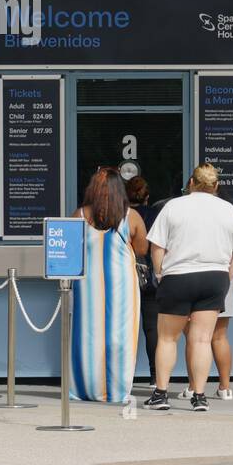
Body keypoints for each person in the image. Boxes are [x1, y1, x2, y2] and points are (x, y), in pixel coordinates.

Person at [144, 164, 233, 411]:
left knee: (167, 338)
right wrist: (228, 274)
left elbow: (156, 246)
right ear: (216, 186)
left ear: (191, 182)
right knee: (203, 340)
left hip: (179, 276)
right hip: (214, 278)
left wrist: (160, 273)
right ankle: (199, 397)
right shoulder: (229, 210)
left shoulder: (173, 206)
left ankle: (161, 394)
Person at [70, 167, 148, 403]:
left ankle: (85, 388)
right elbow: (142, 249)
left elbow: (71, 250)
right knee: (121, 335)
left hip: (87, 286)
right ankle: (117, 390)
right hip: (122, 285)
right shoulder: (130, 216)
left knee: (88, 334)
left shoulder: (80, 214)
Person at [126, 175, 161, 384]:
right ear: (147, 196)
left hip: (127, 275)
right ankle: (156, 376)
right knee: (152, 329)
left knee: (124, 327)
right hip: (151, 276)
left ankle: (123, 375)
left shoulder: (123, 215)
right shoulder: (156, 214)